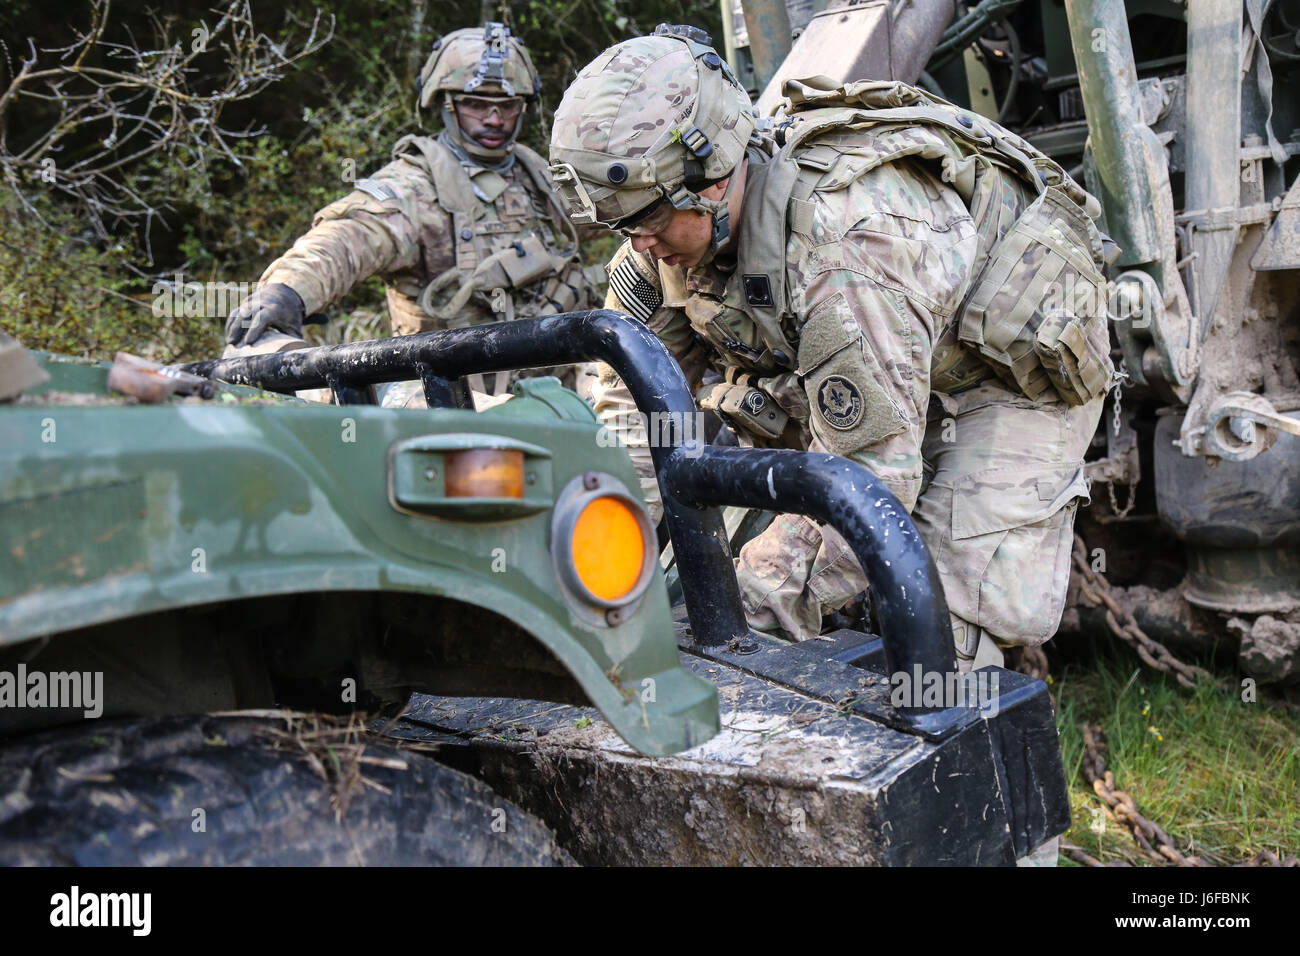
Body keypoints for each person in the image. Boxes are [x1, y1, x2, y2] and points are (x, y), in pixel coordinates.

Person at [547, 26, 1114, 671]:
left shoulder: (849, 243)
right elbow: (634, 408)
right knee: (724, 560)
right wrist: (617, 559)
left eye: (645, 219)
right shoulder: (661, 234)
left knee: (933, 630)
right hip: (871, 369)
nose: (637, 244)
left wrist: (727, 621)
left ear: (709, 179)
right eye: (621, 224)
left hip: (993, 382)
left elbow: (869, 484)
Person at [224, 21, 596, 405]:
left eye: (507, 105)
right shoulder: (415, 187)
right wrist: (287, 292)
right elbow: (347, 239)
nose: (494, 119)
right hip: (453, 400)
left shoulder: (538, 176)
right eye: (475, 104)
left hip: (563, 388)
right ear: (445, 103)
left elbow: (611, 212)